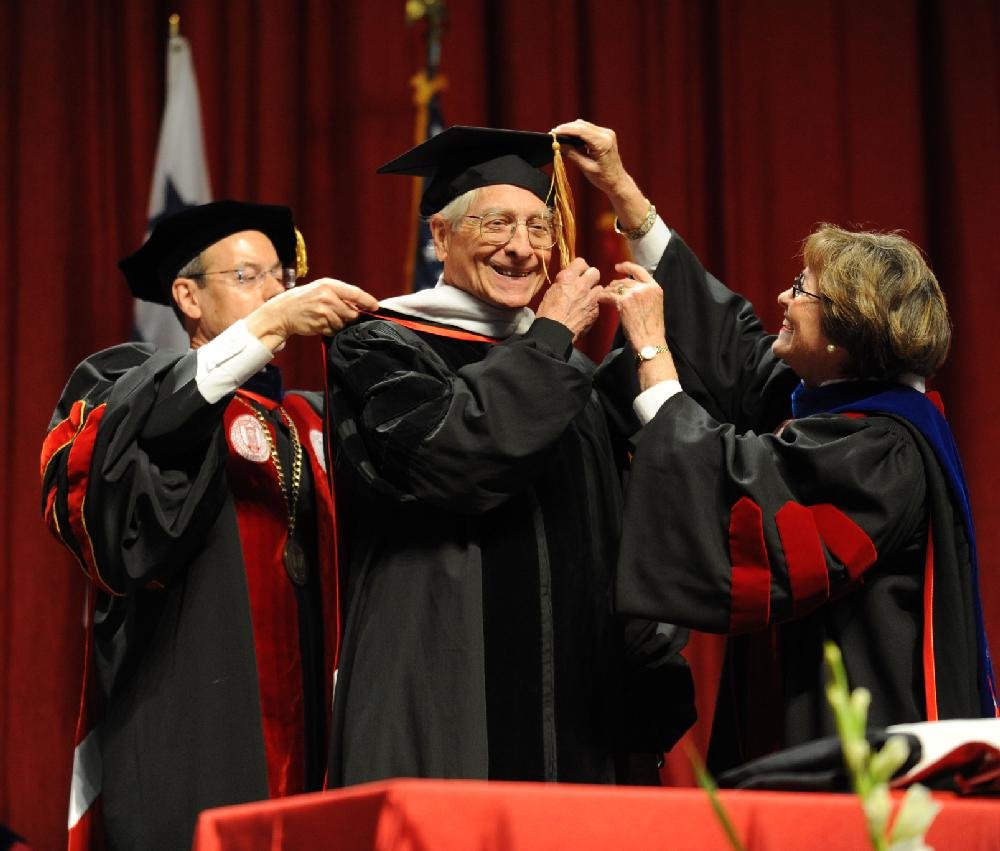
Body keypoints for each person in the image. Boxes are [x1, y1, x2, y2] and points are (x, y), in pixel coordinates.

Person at [553, 119, 998, 773]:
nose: (784, 298)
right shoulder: (836, 403)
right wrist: (624, 194)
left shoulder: (883, 448)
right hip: (801, 715)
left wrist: (651, 350)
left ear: (847, 334)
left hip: (860, 745)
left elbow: (749, 494)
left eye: (804, 291)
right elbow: (732, 346)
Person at [324, 127, 694, 786]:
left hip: (577, 719)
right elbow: (460, 454)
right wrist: (551, 334)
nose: (522, 249)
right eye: (498, 224)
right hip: (442, 700)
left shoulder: (571, 375)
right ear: (440, 237)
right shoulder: (378, 350)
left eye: (539, 228)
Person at [40, 201, 379, 850]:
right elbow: (111, 510)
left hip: (314, 743)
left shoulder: (310, 421)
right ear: (187, 296)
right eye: (249, 276)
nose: (278, 291)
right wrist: (271, 324)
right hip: (188, 739)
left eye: (282, 276)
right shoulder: (124, 388)